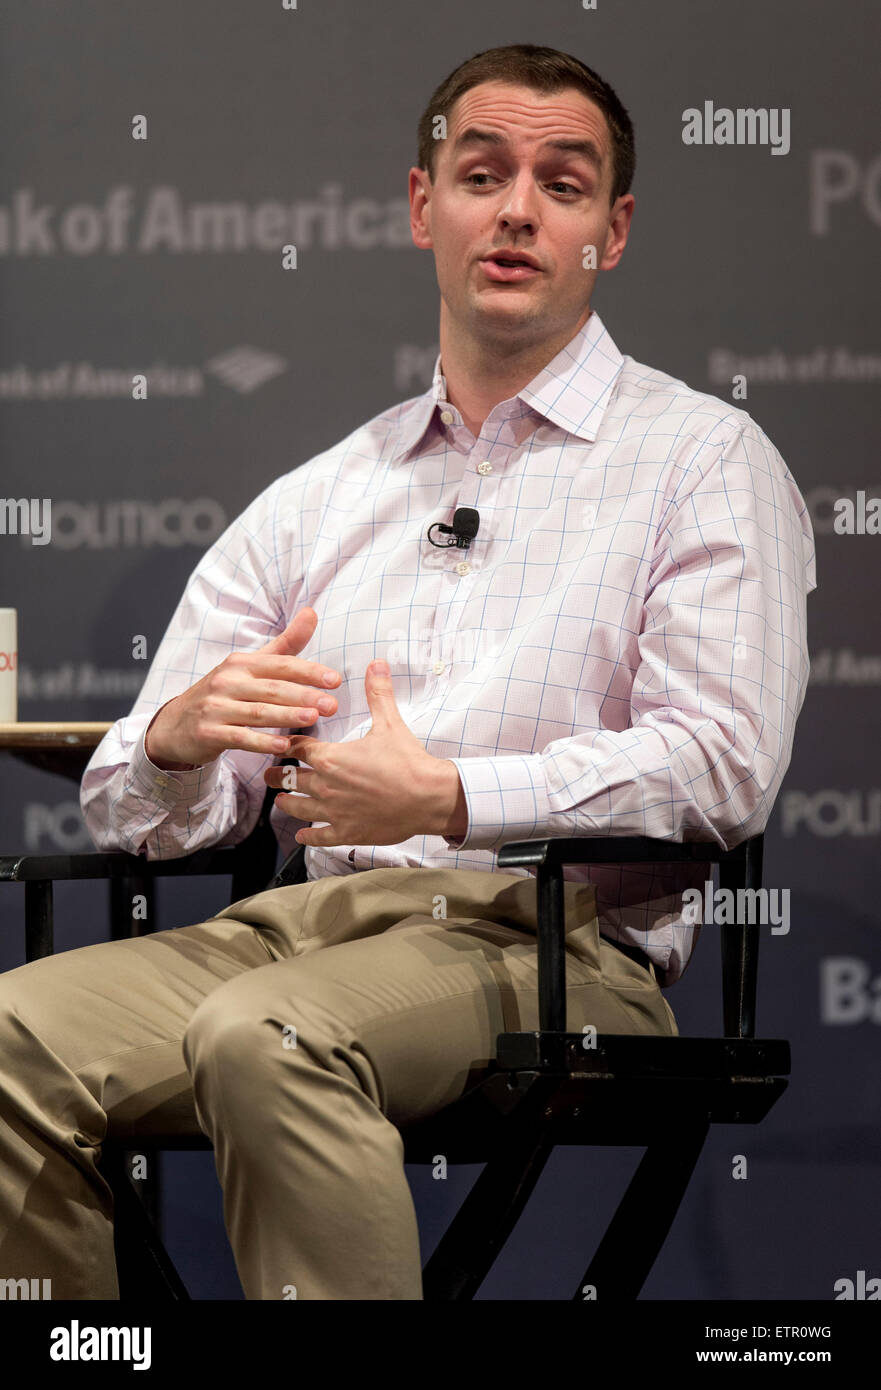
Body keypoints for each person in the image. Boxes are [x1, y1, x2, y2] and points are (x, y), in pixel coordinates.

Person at [0, 43, 815, 1300]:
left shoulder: (702, 458)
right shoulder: (321, 496)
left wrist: (448, 798)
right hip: (295, 930)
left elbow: (719, 766)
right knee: (11, 1039)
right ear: (422, 206)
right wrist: (178, 735)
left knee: (266, 1038)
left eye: (563, 182)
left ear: (615, 227)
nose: (517, 210)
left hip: (556, 946)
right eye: (481, 173)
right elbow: (124, 799)